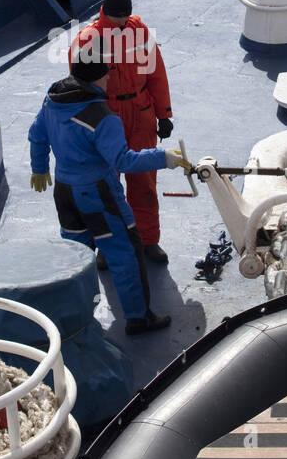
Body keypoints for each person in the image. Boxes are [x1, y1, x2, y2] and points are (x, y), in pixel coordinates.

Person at [28, 49, 189, 334]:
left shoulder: (52, 100)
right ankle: (139, 318)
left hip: (64, 192)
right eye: (107, 74)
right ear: (99, 78)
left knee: (75, 255)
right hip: (97, 195)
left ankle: (73, 318)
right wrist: (164, 158)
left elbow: (37, 135)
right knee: (125, 252)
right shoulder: (103, 118)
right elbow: (122, 161)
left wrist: (40, 168)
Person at [71, 0, 174, 266]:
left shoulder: (139, 32)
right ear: (106, 13)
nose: (122, 24)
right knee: (106, 185)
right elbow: (79, 87)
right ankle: (109, 246)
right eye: (119, 19)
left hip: (141, 114)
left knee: (144, 183)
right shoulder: (87, 41)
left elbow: (156, 74)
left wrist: (164, 114)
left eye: (126, 18)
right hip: (107, 118)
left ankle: (149, 241)